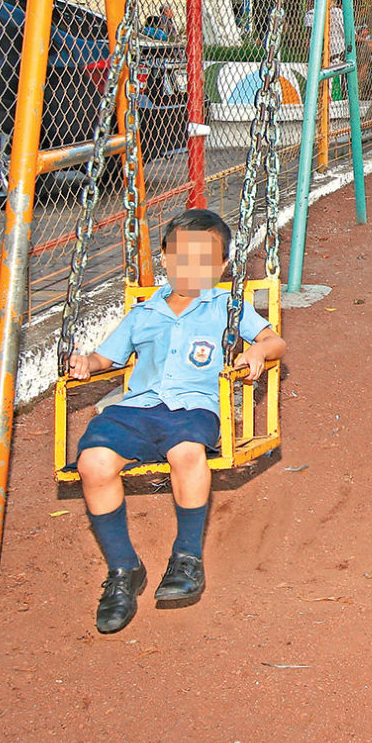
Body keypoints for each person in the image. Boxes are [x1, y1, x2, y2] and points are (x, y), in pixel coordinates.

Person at [69, 209, 287, 633]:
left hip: (192, 410)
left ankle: (187, 557)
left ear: (222, 266)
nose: (190, 268)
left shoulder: (228, 306)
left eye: (204, 259)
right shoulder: (142, 313)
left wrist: (258, 352)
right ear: (165, 260)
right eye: (180, 256)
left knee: (187, 453)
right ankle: (122, 570)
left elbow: (274, 340)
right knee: (92, 463)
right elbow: (106, 358)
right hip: (136, 409)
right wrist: (86, 363)